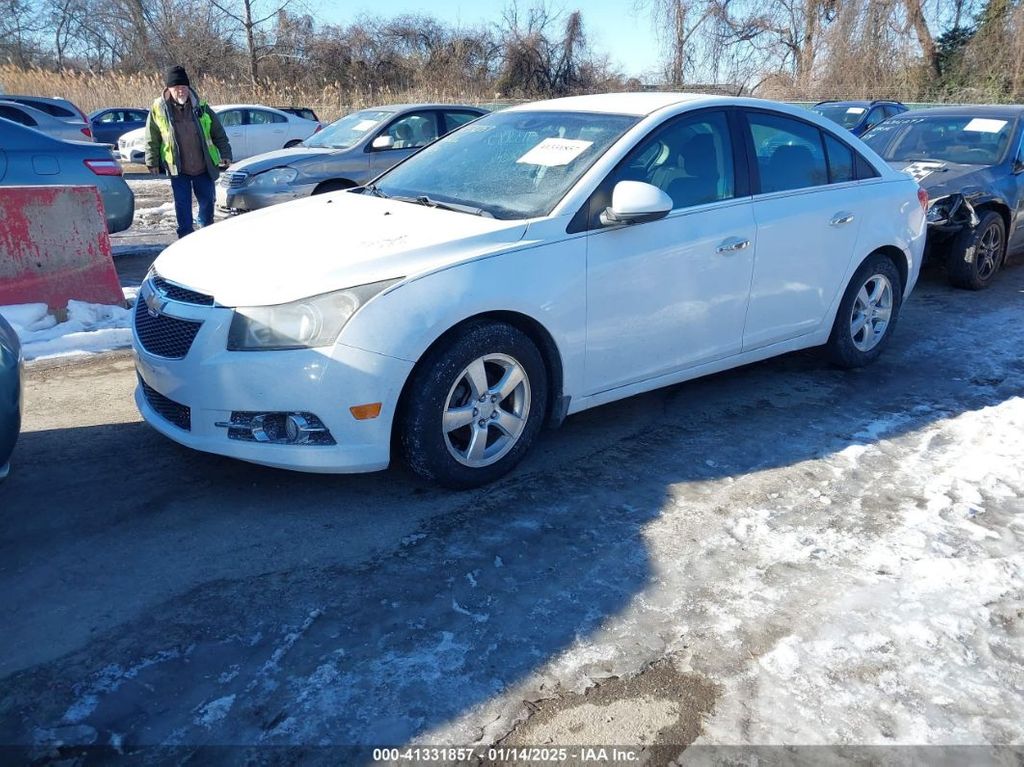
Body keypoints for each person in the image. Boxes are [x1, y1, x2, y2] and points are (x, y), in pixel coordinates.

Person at [145, 65, 232, 239]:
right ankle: (185, 236)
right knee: (182, 204)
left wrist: (225, 153)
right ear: (169, 89)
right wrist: (152, 160)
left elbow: (218, 133)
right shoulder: (158, 109)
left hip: (203, 166)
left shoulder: (202, 107)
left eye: (184, 87)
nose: (181, 91)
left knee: (207, 202)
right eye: (177, 88)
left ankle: (206, 232)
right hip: (178, 168)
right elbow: (152, 137)